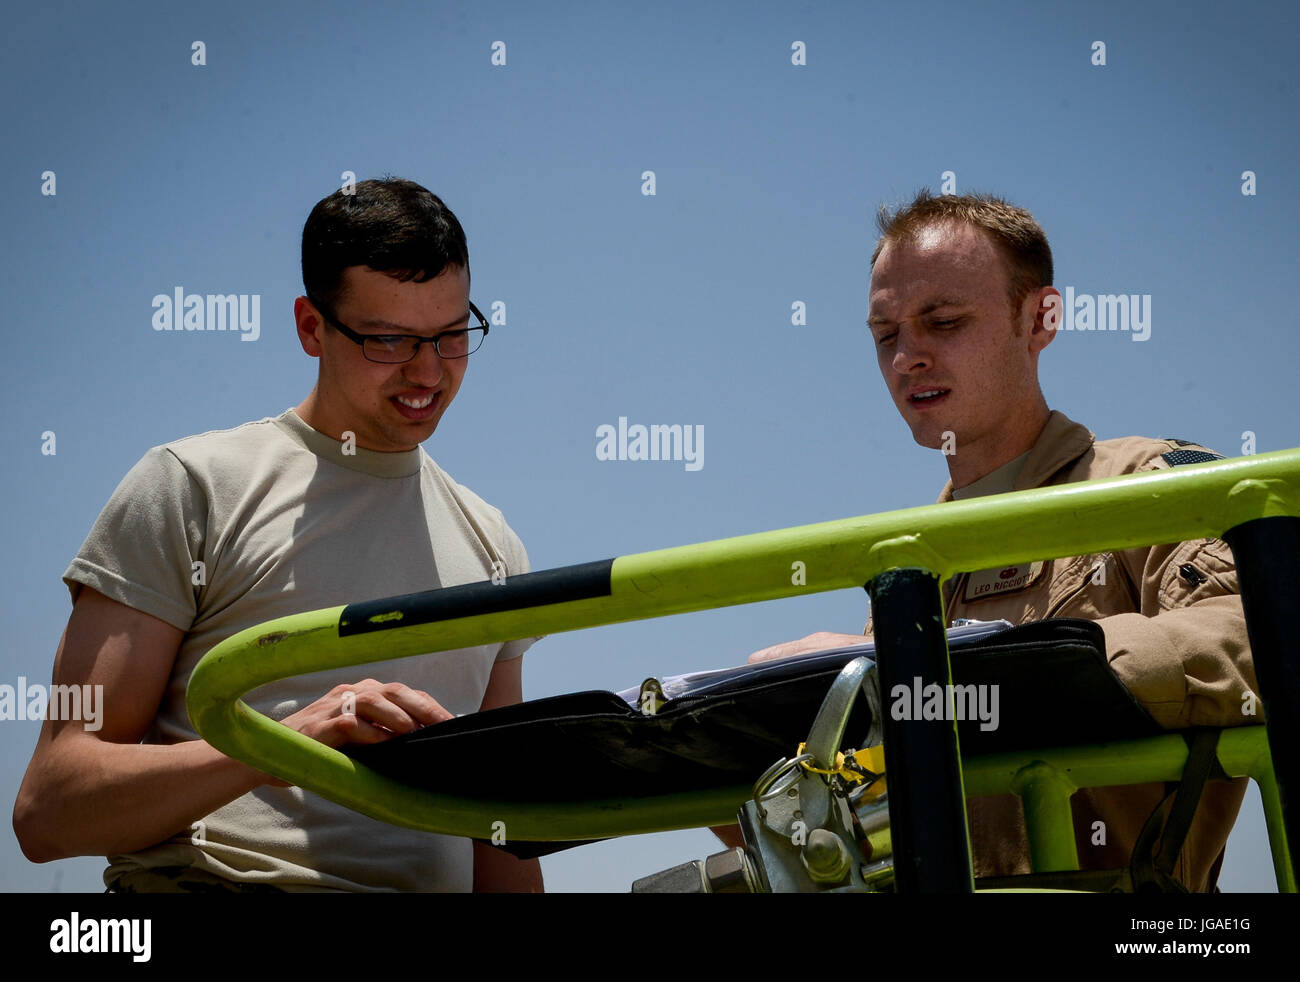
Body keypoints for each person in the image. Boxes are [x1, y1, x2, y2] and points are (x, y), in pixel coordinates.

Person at [13, 178, 543, 893]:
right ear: (310, 327)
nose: (428, 371)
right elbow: (50, 809)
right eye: (389, 339)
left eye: (452, 336)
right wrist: (281, 746)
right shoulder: (191, 486)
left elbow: (500, 832)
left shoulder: (494, 547)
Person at [744, 191, 1256, 892]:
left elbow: (1256, 640)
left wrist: (942, 674)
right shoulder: (908, 571)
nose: (906, 359)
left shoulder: (1149, 489)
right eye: (885, 334)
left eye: (944, 321)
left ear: (1040, 318)